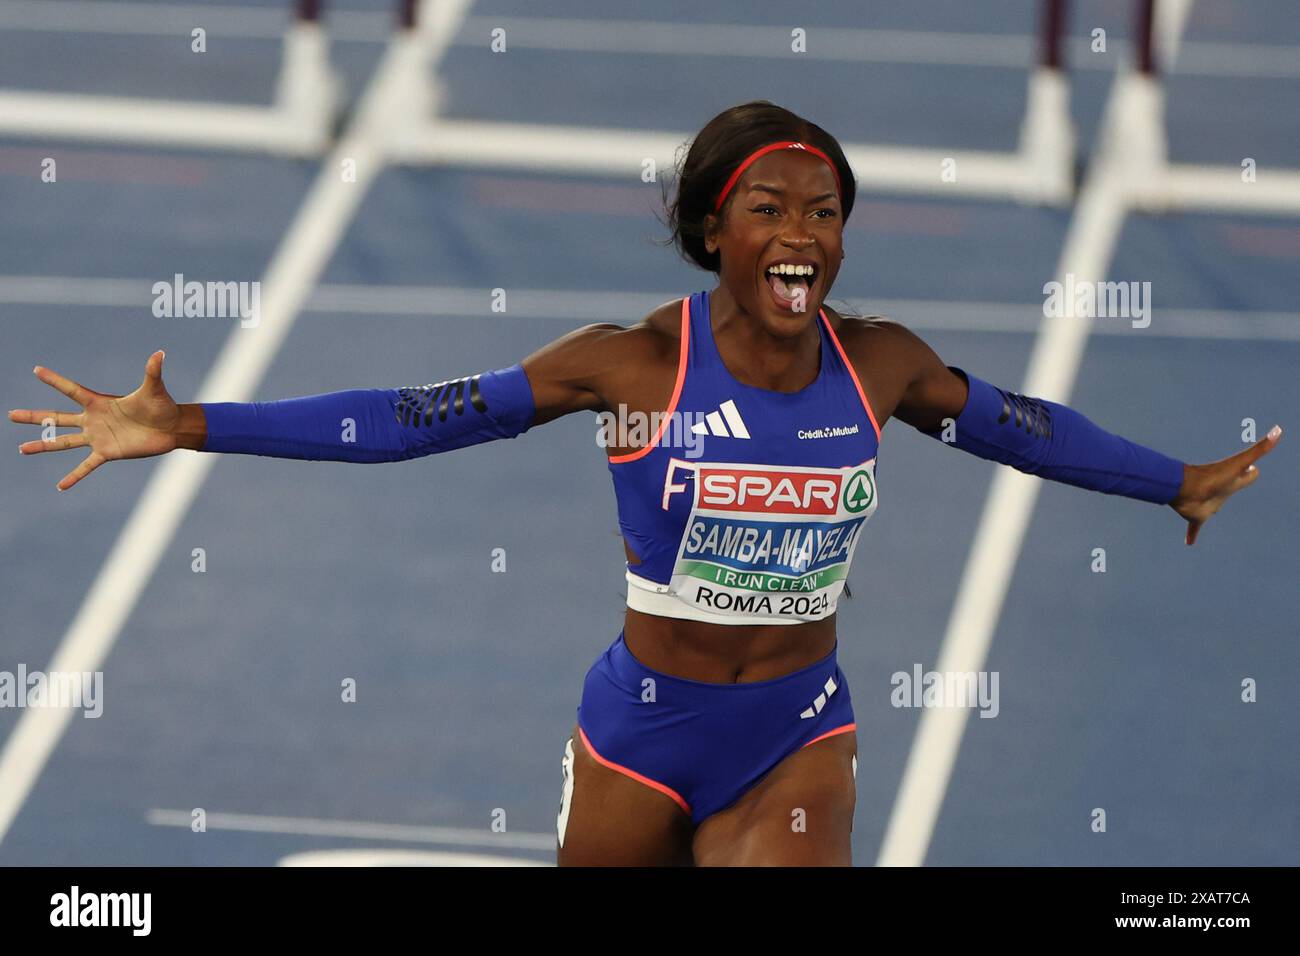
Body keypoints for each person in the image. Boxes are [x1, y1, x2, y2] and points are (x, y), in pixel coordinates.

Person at [10, 101, 1281, 867]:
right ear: (712, 231)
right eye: (771, 209)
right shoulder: (626, 365)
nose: (804, 234)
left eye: (826, 211)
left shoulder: (882, 363)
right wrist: (188, 425)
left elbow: (1024, 426)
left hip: (796, 733)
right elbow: (406, 420)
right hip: (642, 731)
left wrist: (1172, 479)